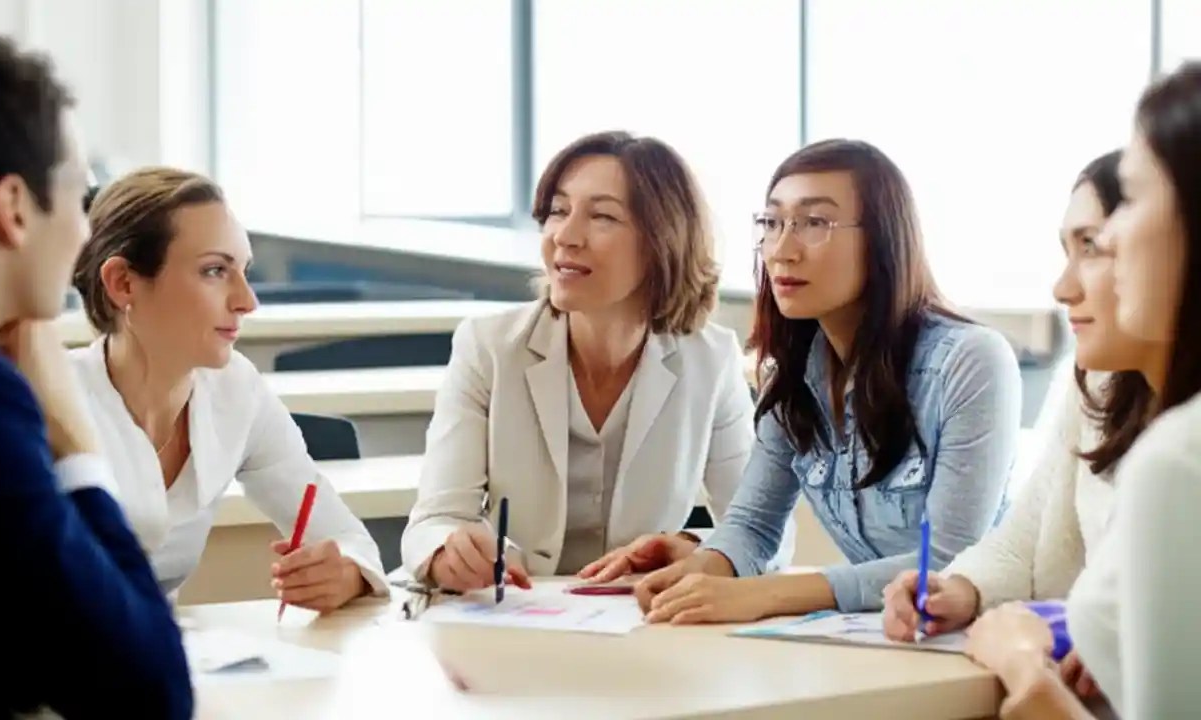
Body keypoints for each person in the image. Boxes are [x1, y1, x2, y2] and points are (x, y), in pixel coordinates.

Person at [628, 139, 1022, 624]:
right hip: (879, 640)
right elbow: (752, 525)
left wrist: (768, 595)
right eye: (772, 223)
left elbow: (946, 560)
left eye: (814, 223)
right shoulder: (794, 375)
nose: (782, 250)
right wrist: (700, 572)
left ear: (882, 239)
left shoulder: (971, 361)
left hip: (979, 639)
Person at [0, 29, 191, 718]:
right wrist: (74, 440)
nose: (83, 233)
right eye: (79, 195)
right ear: (13, 207)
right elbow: (148, 690)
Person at [399, 130, 794, 589]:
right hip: (512, 615)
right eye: (557, 212)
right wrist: (449, 551)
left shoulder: (711, 358)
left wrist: (702, 551)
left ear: (662, 241)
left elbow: (769, 533)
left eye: (602, 217)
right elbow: (433, 520)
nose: (565, 236)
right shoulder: (488, 347)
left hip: (640, 621)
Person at [965, 61, 1201, 719]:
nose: (1116, 241)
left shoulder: (1182, 458)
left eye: (1137, 198)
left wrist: (1024, 669)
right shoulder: (1117, 406)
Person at [881, 151, 1157, 702]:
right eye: (1067, 249)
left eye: (1092, 247)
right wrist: (962, 589)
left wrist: (1110, 637)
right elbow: (1031, 533)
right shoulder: (1096, 383)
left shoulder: (1180, 451)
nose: (1062, 287)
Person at [70, 167, 388, 608]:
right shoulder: (49, 403)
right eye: (215, 270)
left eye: (244, 271)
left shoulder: (237, 390)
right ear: (123, 283)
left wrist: (345, 574)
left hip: (159, 659)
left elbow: (347, 539)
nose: (247, 300)